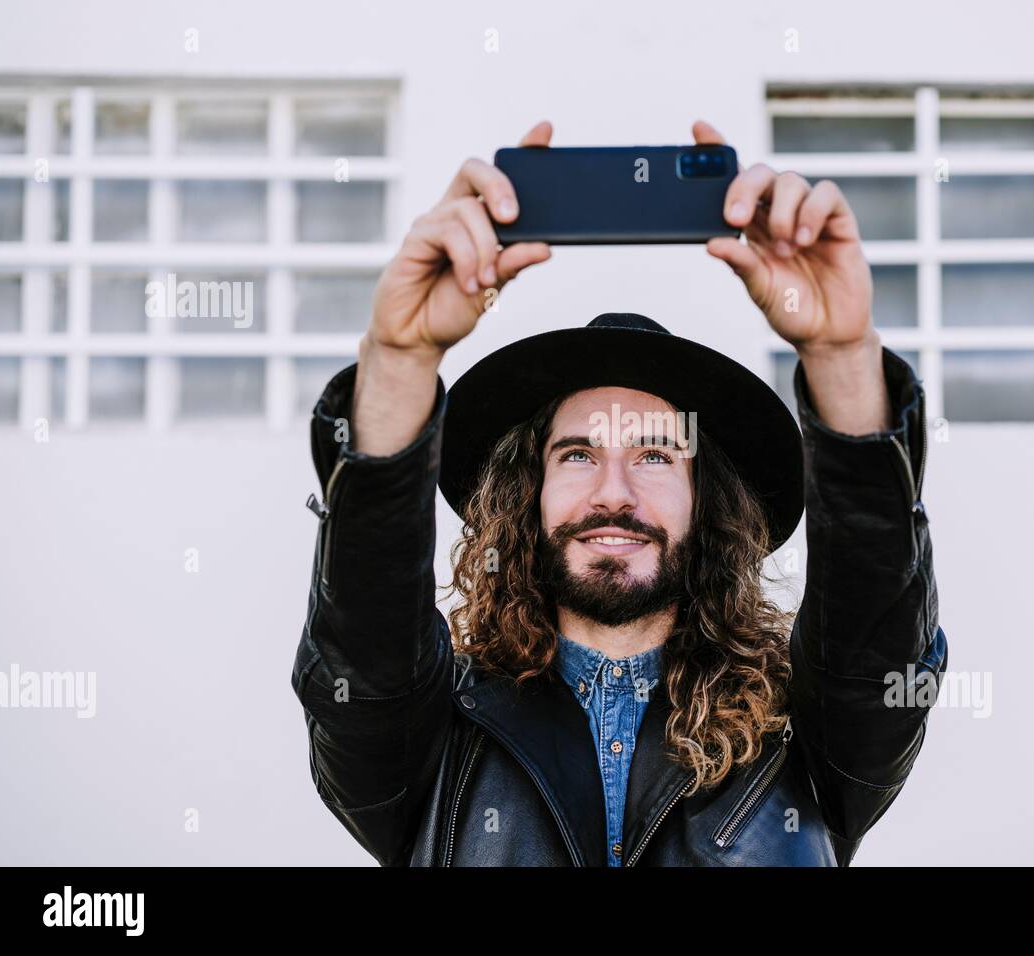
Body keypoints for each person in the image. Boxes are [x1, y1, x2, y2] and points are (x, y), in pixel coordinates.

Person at [291, 119, 948, 866]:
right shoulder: (429, 731)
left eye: (656, 456)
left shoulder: (805, 734)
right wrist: (399, 358)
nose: (615, 492)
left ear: (707, 504)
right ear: (527, 494)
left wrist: (840, 354)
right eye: (577, 454)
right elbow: (363, 646)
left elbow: (875, 642)